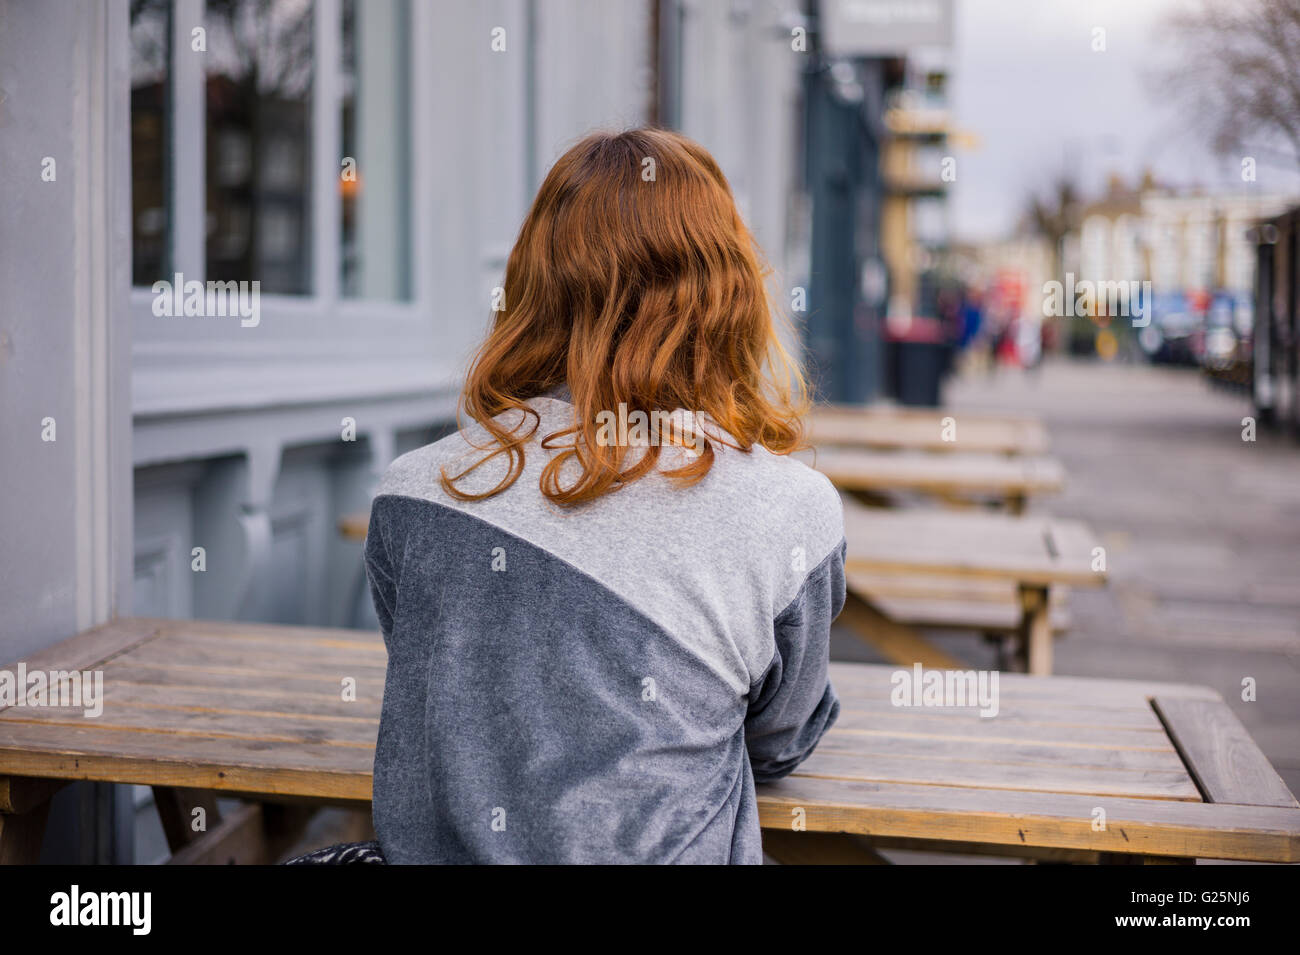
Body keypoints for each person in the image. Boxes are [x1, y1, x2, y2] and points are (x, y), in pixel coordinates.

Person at [359, 128, 844, 864]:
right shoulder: (789, 510)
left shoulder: (411, 491)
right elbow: (780, 742)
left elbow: (458, 701)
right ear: (729, 293)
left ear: (532, 283)